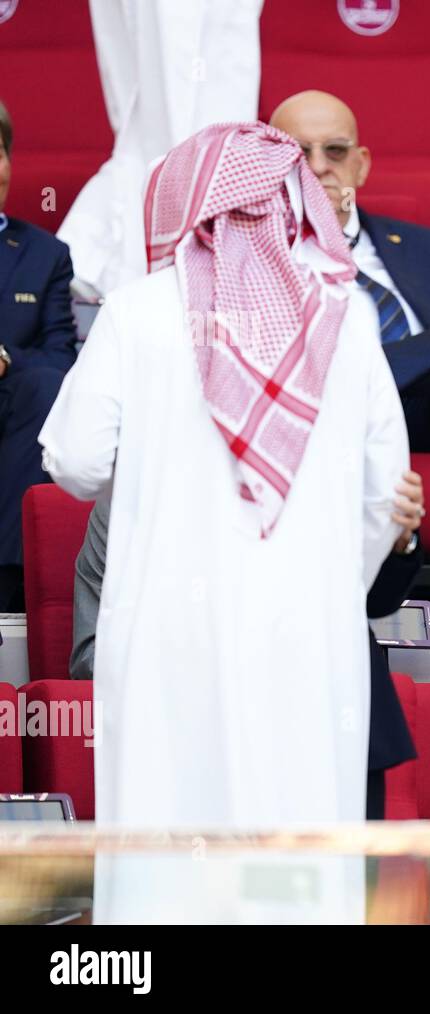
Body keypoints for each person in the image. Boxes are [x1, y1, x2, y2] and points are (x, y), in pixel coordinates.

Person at [38, 121, 409, 828]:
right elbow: (387, 498)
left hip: (166, 638)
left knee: (165, 856)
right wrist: (328, 585)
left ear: (183, 203)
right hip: (310, 636)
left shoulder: (137, 311)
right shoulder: (351, 316)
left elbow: (77, 462)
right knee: (300, 859)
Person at [67, 469, 426, 820]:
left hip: (334, 728)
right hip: (202, 750)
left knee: (349, 879)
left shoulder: (324, 460)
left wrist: (398, 540)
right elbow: (92, 652)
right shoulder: (127, 503)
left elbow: (377, 599)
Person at [269, 91, 430, 454]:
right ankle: (342, 385)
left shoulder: (427, 245)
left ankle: (346, 381)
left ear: (361, 165)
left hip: (426, 412)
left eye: (335, 151)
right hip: (321, 421)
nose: (316, 167)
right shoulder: (252, 249)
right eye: (298, 153)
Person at [0, 99, 78, 610]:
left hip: (11, 408)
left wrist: (6, 360)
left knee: (48, 388)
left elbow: (61, 359)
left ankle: (7, 589)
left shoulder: (45, 253)